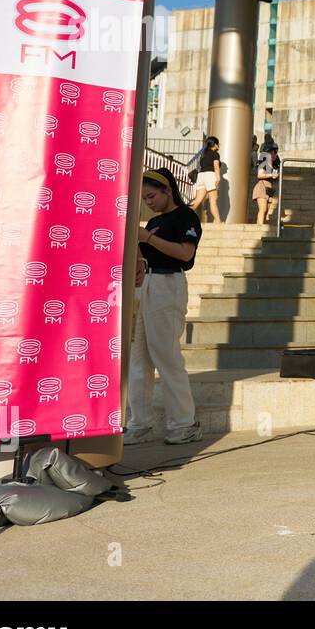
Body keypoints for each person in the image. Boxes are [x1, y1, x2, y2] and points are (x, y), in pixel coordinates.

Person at [126, 169, 202, 446]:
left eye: (152, 196)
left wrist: (147, 238)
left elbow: (185, 253)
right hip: (145, 283)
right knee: (138, 358)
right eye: (145, 199)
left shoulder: (186, 216)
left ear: (167, 190)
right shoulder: (154, 222)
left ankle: (183, 423)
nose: (149, 202)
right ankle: (139, 422)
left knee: (166, 355)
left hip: (168, 284)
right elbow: (144, 252)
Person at [190, 135, 222, 223]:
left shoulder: (203, 155)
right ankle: (218, 221)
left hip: (201, 176)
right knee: (213, 201)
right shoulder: (215, 154)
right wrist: (218, 178)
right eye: (218, 143)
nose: (219, 145)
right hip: (210, 176)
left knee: (197, 201)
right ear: (215, 144)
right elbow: (216, 167)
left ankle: (182, 214)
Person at [254, 143, 280, 225]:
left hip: (270, 187)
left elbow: (275, 179)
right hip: (262, 185)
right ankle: (260, 228)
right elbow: (260, 175)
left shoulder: (274, 167)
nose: (274, 154)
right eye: (271, 153)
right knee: (263, 209)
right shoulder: (264, 163)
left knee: (266, 211)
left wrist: (277, 176)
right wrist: (271, 175)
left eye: (275, 152)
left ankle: (261, 226)